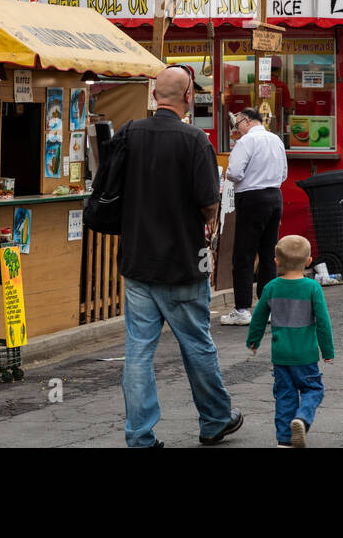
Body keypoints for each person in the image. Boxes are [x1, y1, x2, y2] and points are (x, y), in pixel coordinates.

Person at [117, 65, 242, 448]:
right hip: (184, 262)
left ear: (155, 95)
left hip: (138, 260)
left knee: (138, 349)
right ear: (189, 97)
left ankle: (139, 435)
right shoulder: (195, 141)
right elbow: (209, 203)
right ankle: (215, 419)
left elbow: (109, 189)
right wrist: (208, 224)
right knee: (196, 342)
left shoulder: (129, 135)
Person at [246, 234, 335, 447]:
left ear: (276, 261)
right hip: (306, 355)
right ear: (308, 262)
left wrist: (254, 340)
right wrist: (327, 351)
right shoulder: (313, 288)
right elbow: (323, 322)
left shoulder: (271, 287)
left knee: (285, 396)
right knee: (313, 389)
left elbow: (258, 317)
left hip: (281, 355)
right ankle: (302, 418)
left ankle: (285, 440)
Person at [220, 107, 288, 326]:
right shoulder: (275, 140)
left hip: (251, 197)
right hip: (274, 195)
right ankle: (267, 308)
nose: (236, 127)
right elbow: (284, 173)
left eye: (237, 122)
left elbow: (234, 172)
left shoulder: (246, 142)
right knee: (269, 253)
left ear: (247, 121)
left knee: (244, 253)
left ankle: (242, 309)